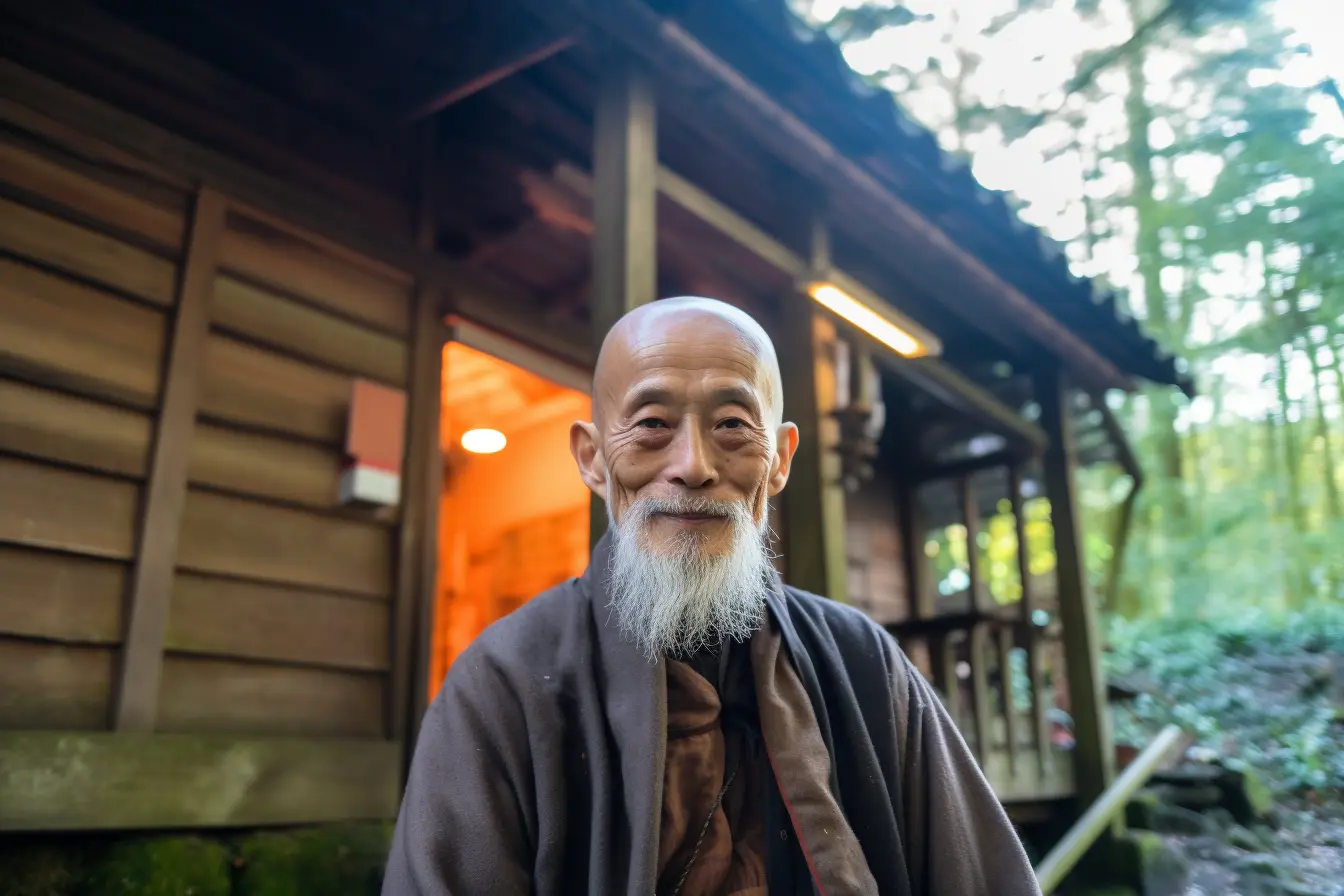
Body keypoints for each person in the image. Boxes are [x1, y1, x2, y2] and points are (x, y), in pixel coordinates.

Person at [383, 297, 1042, 895]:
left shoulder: (861, 662)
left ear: (779, 459)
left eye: (731, 424)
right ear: (591, 458)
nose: (694, 464)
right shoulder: (507, 684)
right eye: (651, 424)